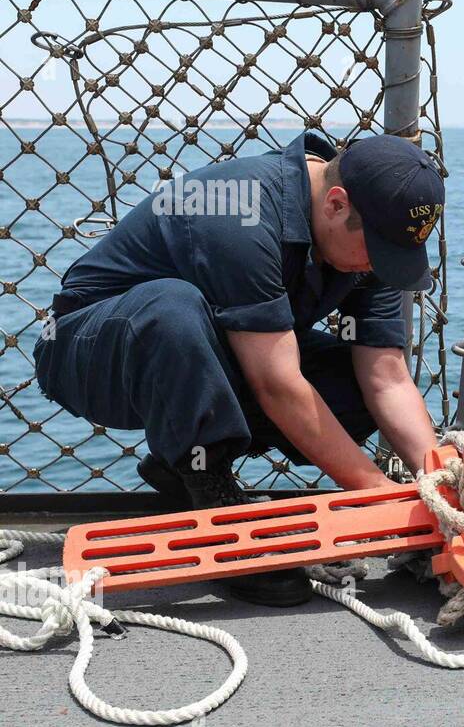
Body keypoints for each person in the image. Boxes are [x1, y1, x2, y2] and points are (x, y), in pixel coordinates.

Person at [35, 131, 443, 606]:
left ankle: (180, 467)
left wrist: (438, 477)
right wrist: (381, 495)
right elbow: (277, 385)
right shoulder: (238, 211)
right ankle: (215, 502)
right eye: (376, 250)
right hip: (92, 347)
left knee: (348, 387)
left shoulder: (371, 237)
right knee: (174, 308)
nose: (379, 266)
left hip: (215, 348)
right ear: (335, 204)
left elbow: (386, 375)